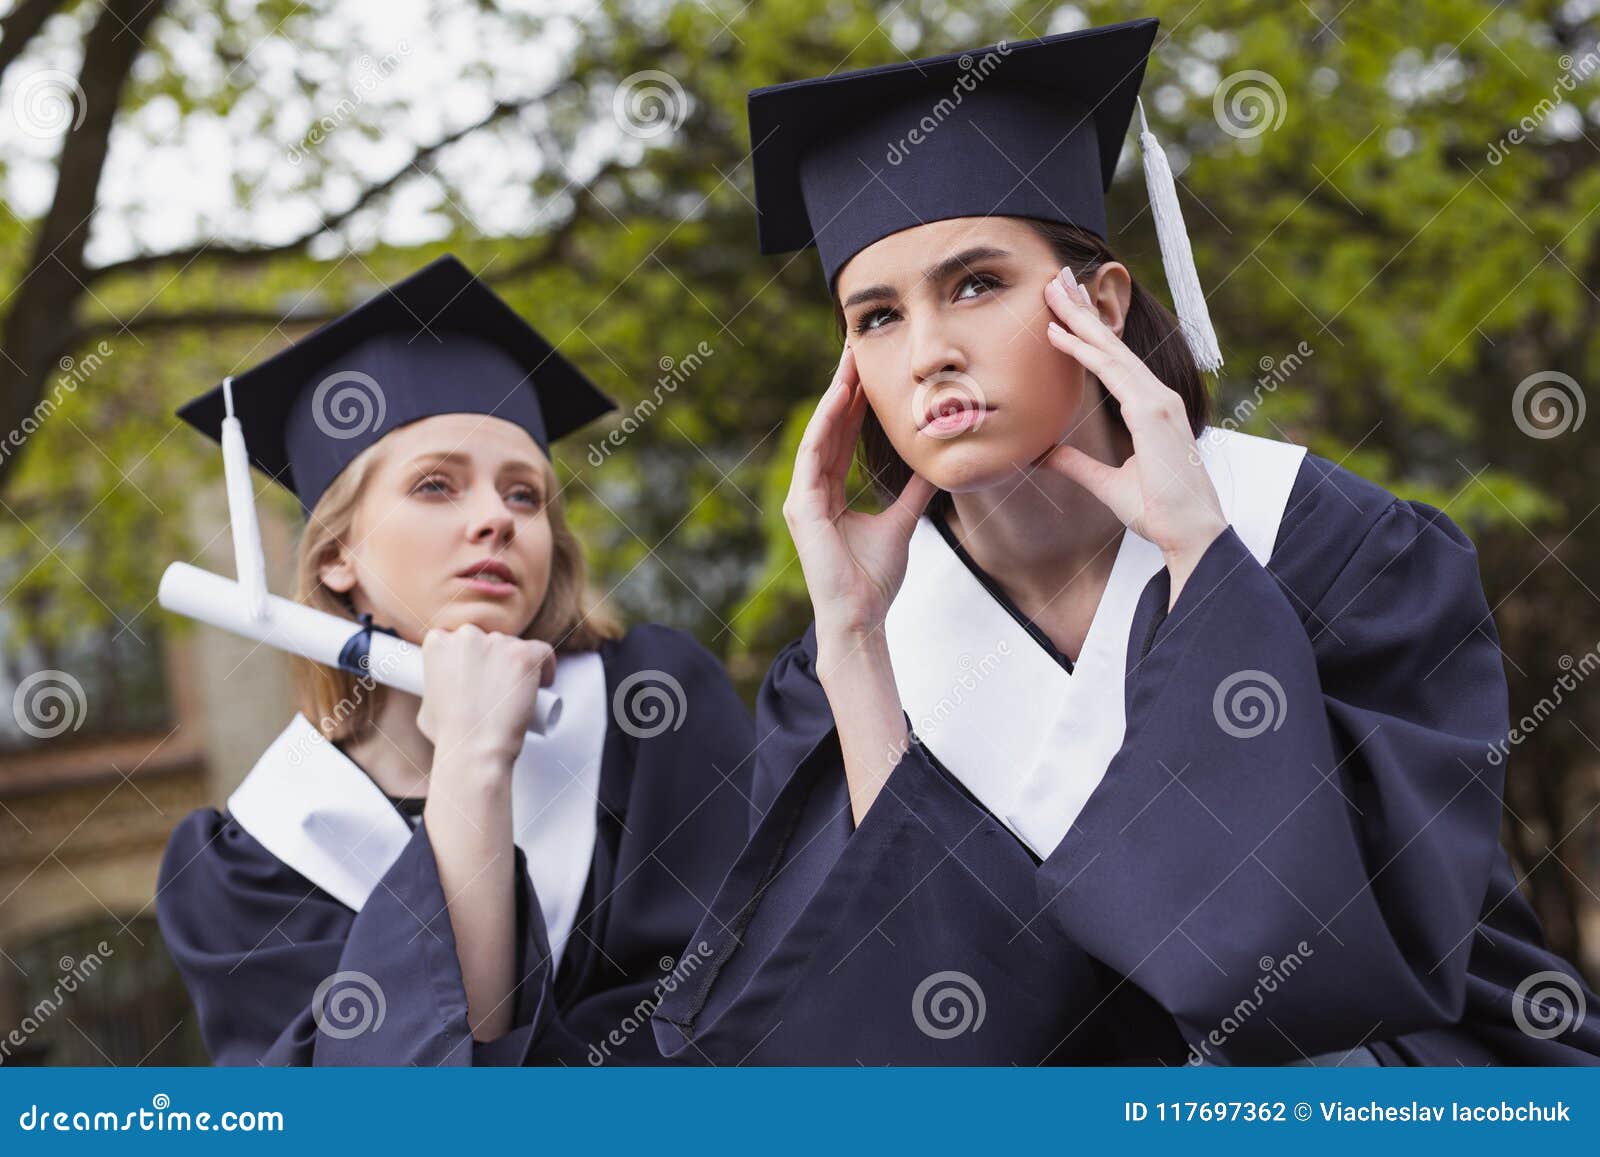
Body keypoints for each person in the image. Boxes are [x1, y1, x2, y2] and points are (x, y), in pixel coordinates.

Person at [652, 18, 1600, 1065]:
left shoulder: (1327, 544)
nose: (928, 352)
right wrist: (856, 646)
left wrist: (1204, 558)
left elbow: (1326, 968)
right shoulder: (841, 660)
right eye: (874, 317)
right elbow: (904, 1037)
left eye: (976, 284)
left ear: (1096, 303)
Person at [156, 255, 754, 1065]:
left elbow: (745, 1006)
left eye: (523, 493)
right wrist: (472, 760)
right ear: (337, 557)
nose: (495, 520)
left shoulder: (649, 707)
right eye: (437, 485)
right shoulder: (252, 860)